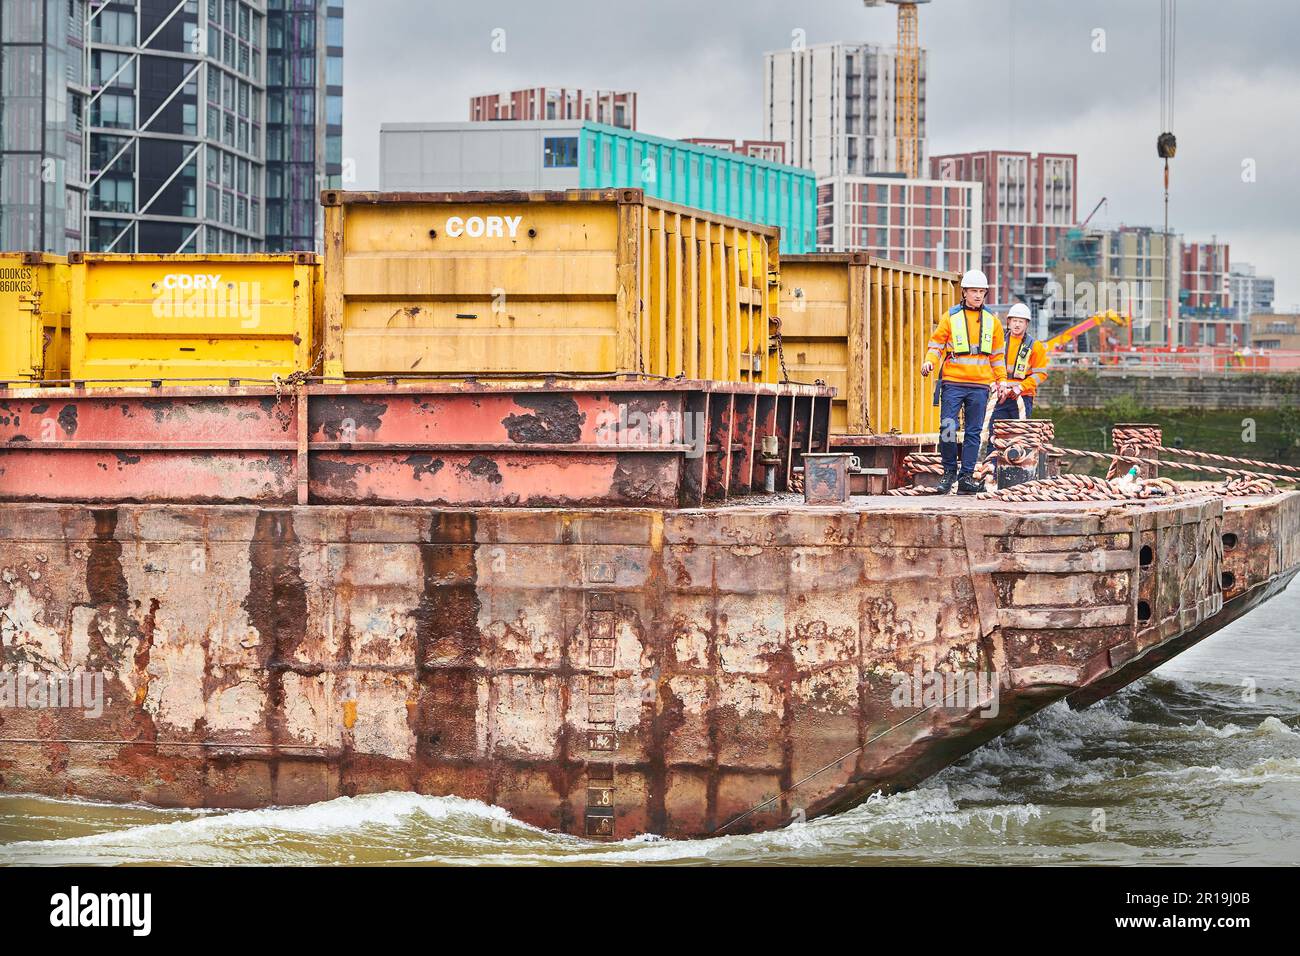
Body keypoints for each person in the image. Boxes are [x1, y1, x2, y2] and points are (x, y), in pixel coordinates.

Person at [920, 270, 1007, 494]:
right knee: (948, 427)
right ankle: (949, 472)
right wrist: (929, 362)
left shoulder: (993, 322)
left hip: (979, 385)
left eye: (981, 292)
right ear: (964, 292)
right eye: (974, 291)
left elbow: (997, 356)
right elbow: (936, 346)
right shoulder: (951, 317)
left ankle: (967, 476)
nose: (978, 296)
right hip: (953, 382)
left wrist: (1002, 380)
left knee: (973, 432)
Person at [989, 302, 1049, 425]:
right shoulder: (998, 343)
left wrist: (1021, 387)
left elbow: (1040, 374)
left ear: (1026, 324)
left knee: (1018, 436)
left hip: (1023, 397)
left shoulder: (1035, 346)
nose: (1017, 324)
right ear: (1009, 322)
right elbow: (989, 365)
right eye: (1014, 321)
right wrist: (993, 385)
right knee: (994, 435)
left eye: (1021, 321)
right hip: (1000, 396)